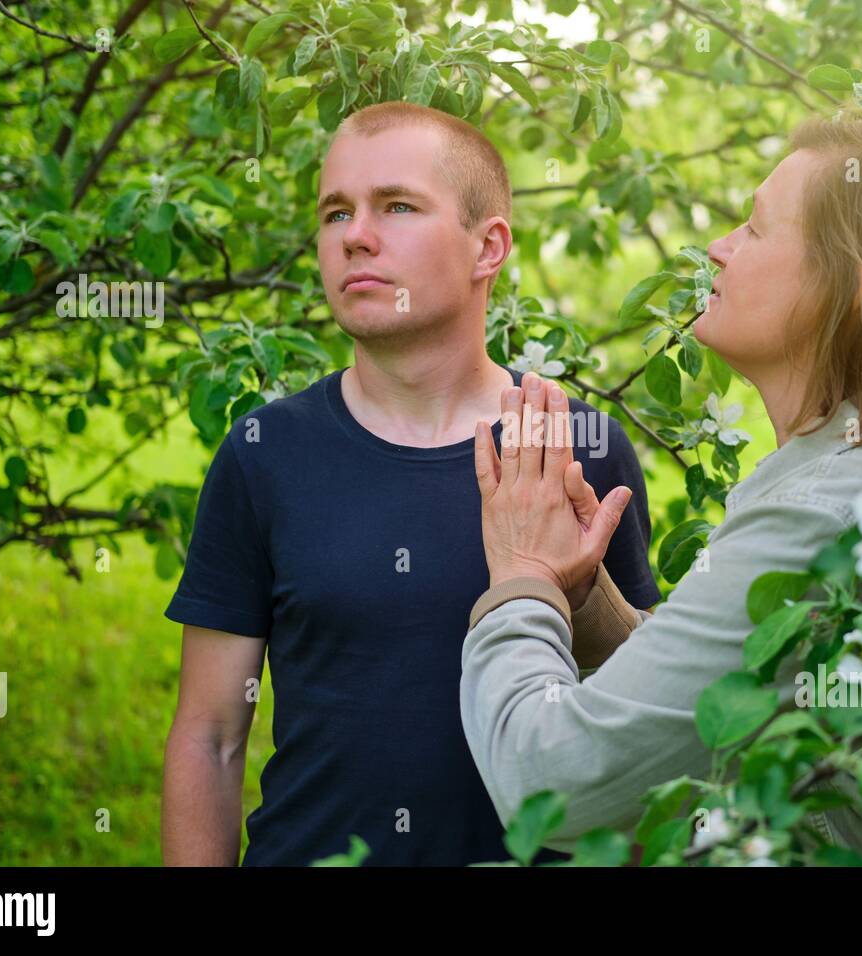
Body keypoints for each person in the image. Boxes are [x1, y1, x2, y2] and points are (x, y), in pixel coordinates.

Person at [461, 114, 862, 866]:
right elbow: (749, 703)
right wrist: (586, 601)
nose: (718, 248)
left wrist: (522, 577)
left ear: (847, 290)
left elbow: (550, 785)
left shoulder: (832, 513)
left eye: (755, 229)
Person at [160, 102, 660, 867]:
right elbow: (211, 737)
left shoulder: (570, 448)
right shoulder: (265, 454)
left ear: (488, 247)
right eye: (335, 213)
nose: (355, 235)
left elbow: (639, 728)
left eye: (396, 206)